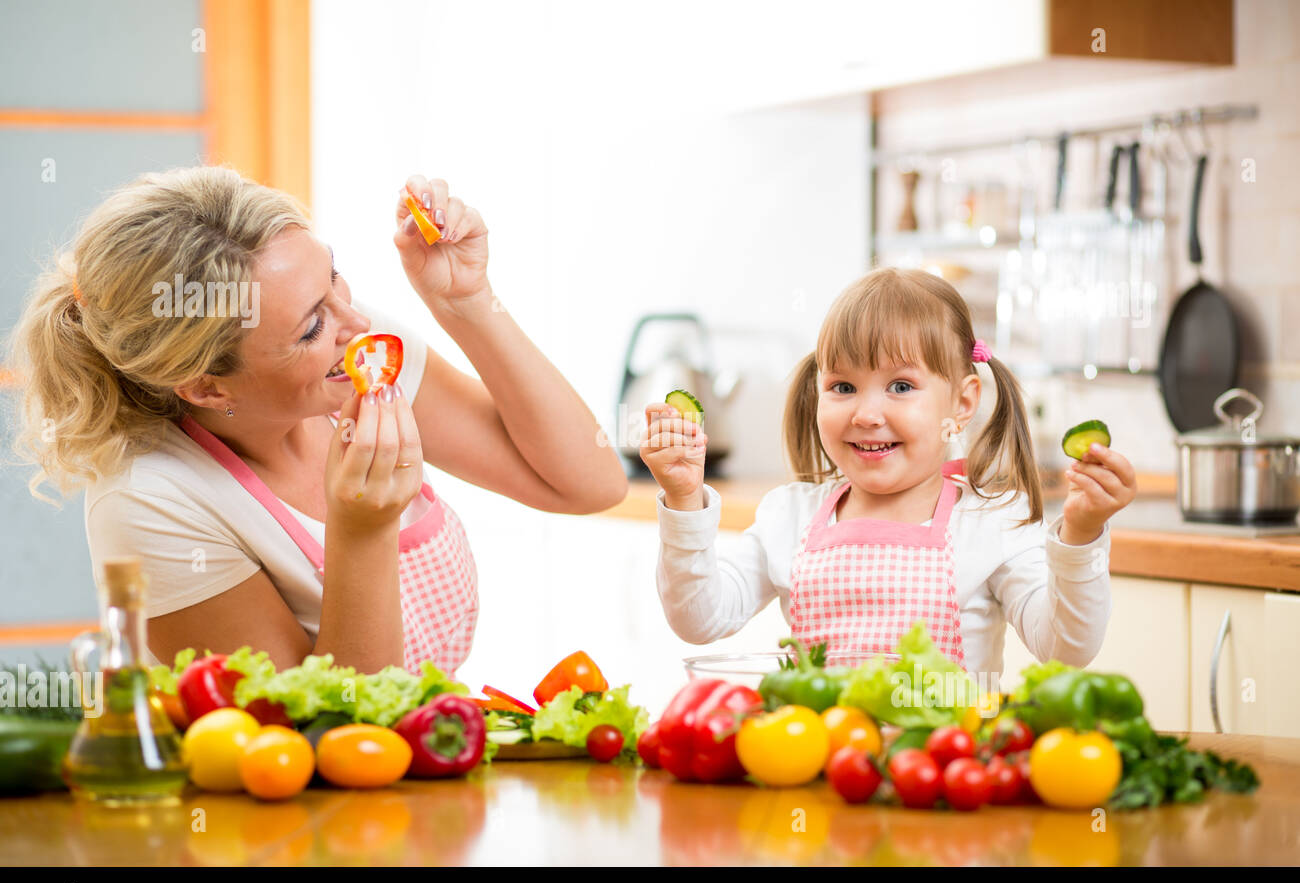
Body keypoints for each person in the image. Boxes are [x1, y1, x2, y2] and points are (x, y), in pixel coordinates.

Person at [9, 166, 627, 674]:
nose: (357, 326)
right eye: (311, 326)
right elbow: (317, 737)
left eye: (333, 276)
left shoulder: (352, 350)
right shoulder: (150, 500)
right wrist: (361, 530)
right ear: (204, 385)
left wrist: (466, 303)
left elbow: (589, 484)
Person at [639, 267, 1137, 684]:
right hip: (819, 778)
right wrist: (683, 500)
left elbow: (1067, 649)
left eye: (900, 386)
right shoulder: (787, 515)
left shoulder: (992, 521)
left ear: (962, 403)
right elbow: (699, 619)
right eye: (843, 386)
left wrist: (1082, 535)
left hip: (938, 783)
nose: (867, 413)